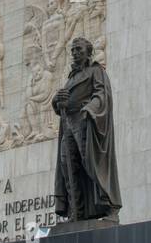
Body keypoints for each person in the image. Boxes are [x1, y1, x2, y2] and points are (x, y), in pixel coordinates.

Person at [51, 36, 121, 222]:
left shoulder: (95, 71)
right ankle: (76, 211)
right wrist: (57, 100)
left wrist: (90, 108)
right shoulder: (71, 77)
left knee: (91, 164)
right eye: (73, 50)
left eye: (79, 49)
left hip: (84, 122)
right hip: (68, 125)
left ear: (88, 52)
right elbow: (60, 105)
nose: (74, 53)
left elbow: (101, 94)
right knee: (69, 168)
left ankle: (110, 207)